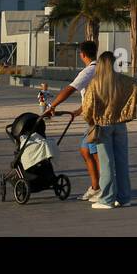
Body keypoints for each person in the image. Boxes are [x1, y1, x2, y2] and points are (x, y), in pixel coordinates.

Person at [80, 51, 137, 209]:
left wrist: (91, 119)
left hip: (103, 126)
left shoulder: (96, 82)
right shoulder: (123, 80)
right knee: (122, 162)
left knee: (106, 163)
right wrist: (128, 106)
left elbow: (87, 108)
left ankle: (107, 199)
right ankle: (124, 198)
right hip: (120, 124)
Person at [42, 41, 101, 201]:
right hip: (94, 116)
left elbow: (69, 89)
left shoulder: (89, 71)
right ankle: (96, 187)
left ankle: (101, 189)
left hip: (96, 120)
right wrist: (78, 111)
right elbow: (92, 97)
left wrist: (52, 106)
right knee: (86, 151)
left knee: (95, 153)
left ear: (82, 54)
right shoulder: (101, 69)